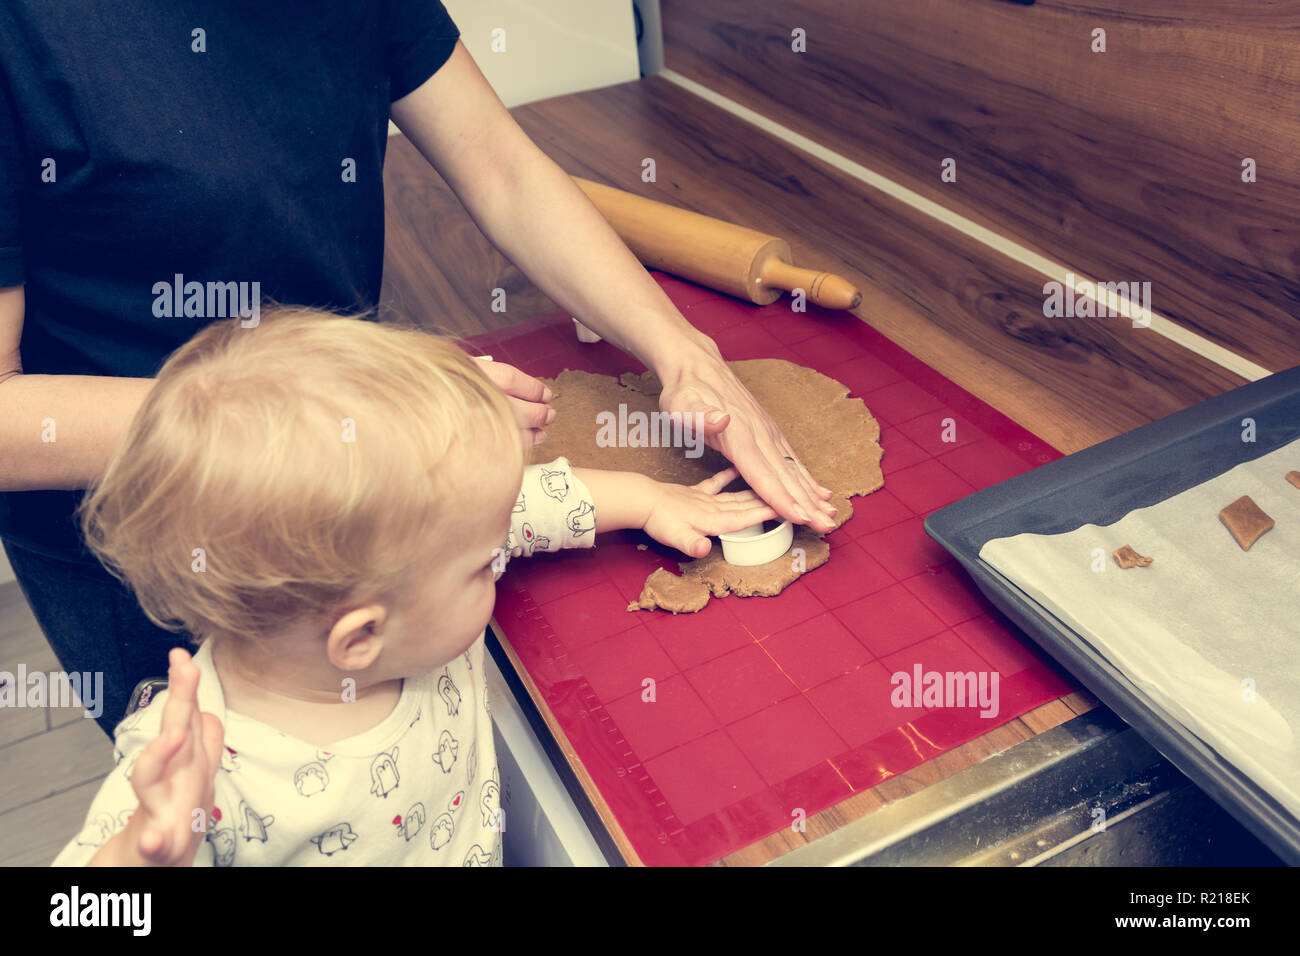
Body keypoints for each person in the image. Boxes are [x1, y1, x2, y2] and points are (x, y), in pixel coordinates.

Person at [0, 1, 835, 737]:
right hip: (153, 529)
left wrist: (682, 351)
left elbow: (502, 168)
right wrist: (348, 417)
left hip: (370, 461)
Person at [53, 308, 778, 866]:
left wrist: (650, 500)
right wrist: (141, 854)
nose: (498, 553)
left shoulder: (404, 582)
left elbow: (511, 509)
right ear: (361, 637)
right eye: (483, 564)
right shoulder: (199, 768)